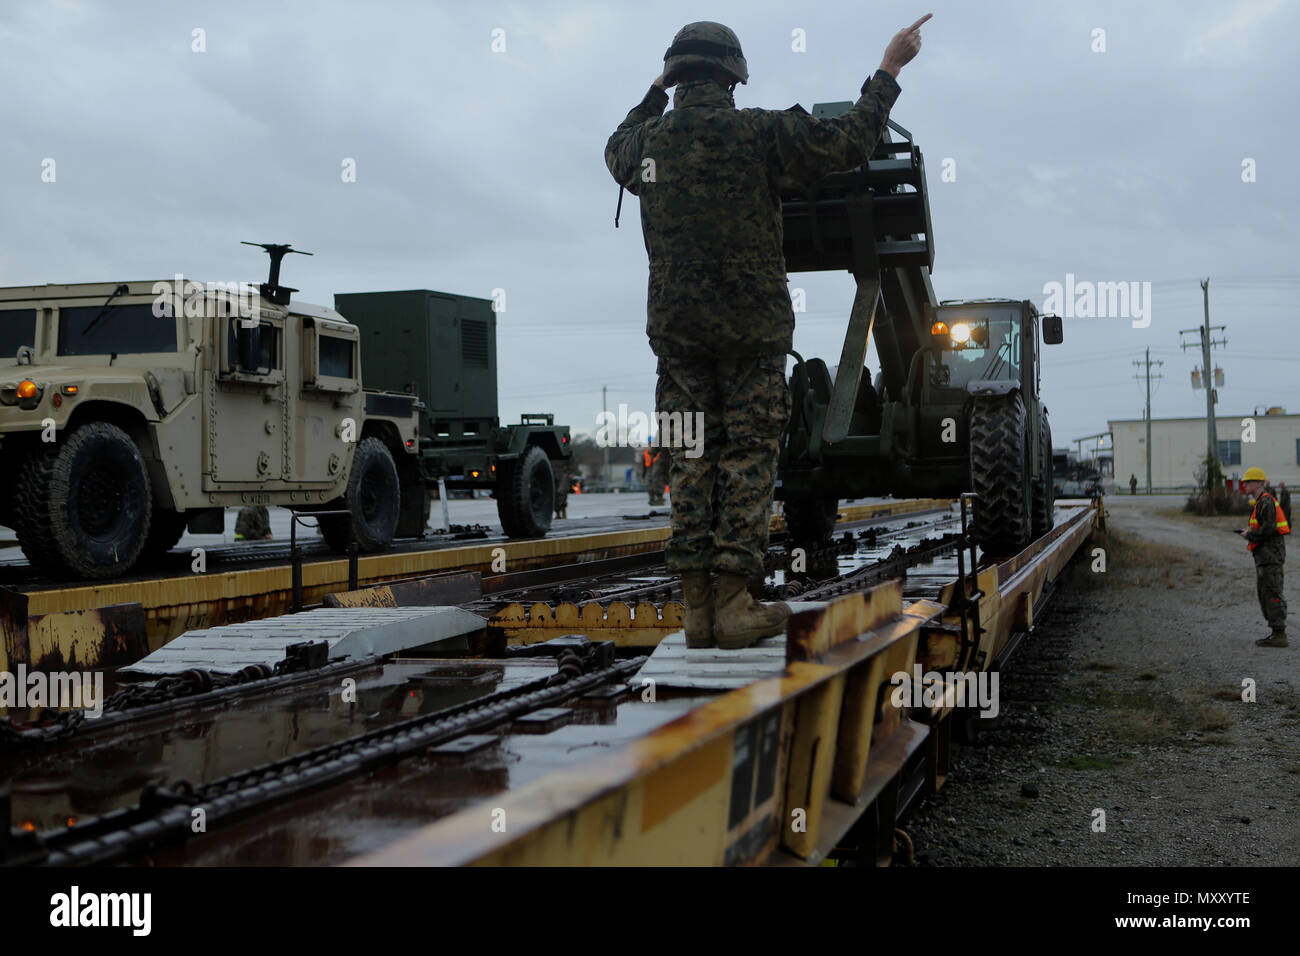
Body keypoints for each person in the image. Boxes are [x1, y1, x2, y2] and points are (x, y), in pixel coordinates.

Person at [605, 15, 929, 649]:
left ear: (675, 77)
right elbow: (849, 142)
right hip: (752, 336)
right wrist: (888, 71)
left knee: (690, 458)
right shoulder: (763, 134)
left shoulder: (646, 145)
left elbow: (613, 143)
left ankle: (697, 610)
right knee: (749, 459)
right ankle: (731, 602)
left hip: (675, 341)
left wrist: (652, 91)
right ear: (733, 75)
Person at [1237, 466, 1289, 647]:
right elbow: (1265, 527)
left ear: (1258, 483)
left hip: (1270, 556)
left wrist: (1249, 535)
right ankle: (1276, 632)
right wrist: (1250, 530)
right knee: (1265, 593)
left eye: (1248, 482)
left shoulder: (1265, 502)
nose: (1245, 485)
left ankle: (1279, 634)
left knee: (1272, 593)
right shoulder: (1260, 502)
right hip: (1265, 556)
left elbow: (1269, 528)